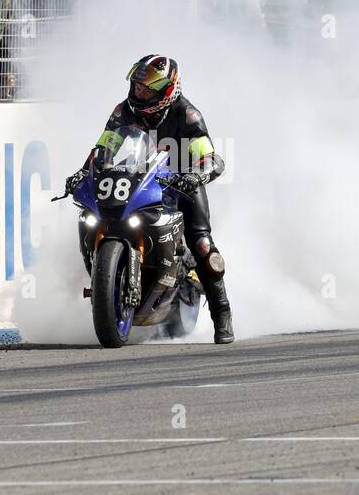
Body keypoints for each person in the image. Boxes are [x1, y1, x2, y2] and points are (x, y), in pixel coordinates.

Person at [64, 55, 234, 343]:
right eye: (136, 86)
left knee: (202, 244)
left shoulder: (186, 114)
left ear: (166, 91)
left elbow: (209, 155)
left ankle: (223, 315)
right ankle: (108, 286)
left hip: (181, 183)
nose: (139, 93)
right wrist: (84, 173)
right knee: (93, 216)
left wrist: (197, 174)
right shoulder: (124, 111)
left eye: (147, 89)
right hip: (140, 179)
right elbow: (104, 147)